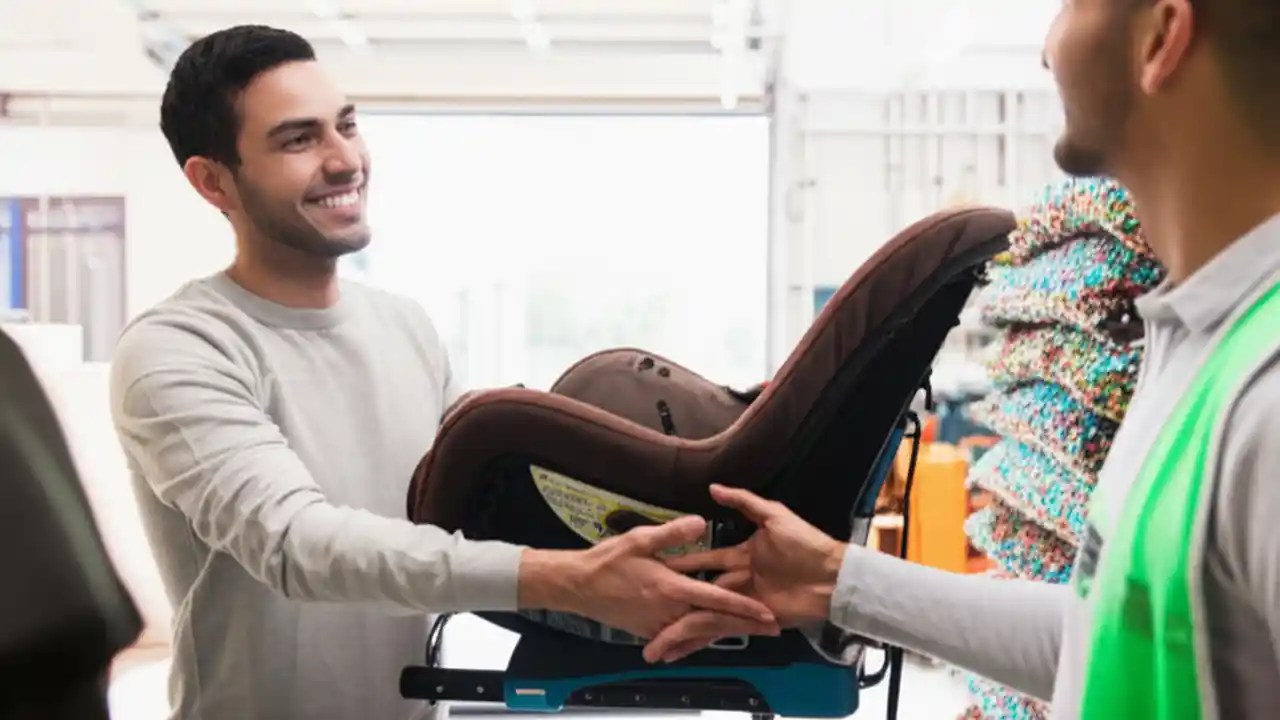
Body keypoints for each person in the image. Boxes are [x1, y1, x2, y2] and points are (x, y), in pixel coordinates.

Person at [109, 25, 778, 720]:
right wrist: (567, 580)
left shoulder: (404, 326)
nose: (345, 160)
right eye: (298, 139)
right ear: (212, 180)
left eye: (347, 124)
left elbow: (478, 513)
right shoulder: (179, 348)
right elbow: (296, 545)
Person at [645, 0, 1280, 717]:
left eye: (1071, 6)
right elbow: (1108, 633)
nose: (1045, 50)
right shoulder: (1196, 343)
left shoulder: (1266, 391)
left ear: (1161, 37)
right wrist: (834, 581)